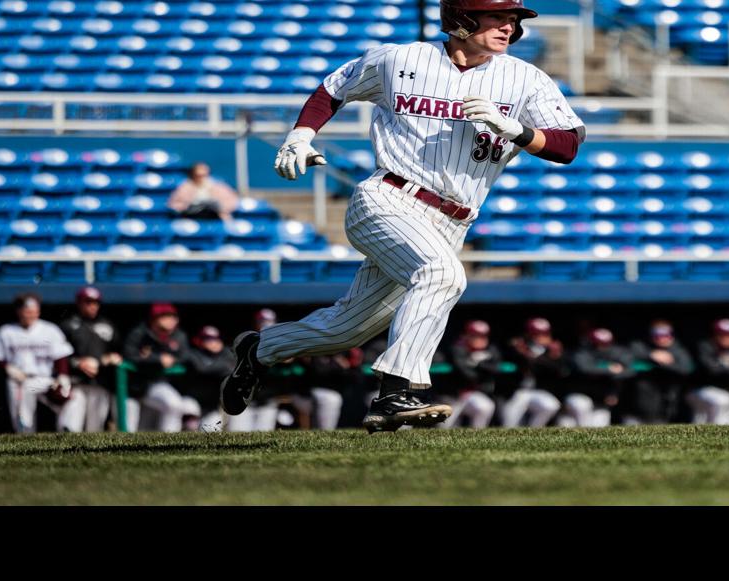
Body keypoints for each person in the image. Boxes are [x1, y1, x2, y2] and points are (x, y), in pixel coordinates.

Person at [220, 0, 585, 434]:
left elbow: (567, 146)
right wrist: (300, 136)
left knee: (345, 330)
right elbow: (332, 89)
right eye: (497, 17)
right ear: (462, 18)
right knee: (442, 275)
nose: (509, 27)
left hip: (453, 221)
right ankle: (396, 393)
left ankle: (259, 349)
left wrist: (520, 132)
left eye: (514, 20)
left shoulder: (525, 78)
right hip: (388, 198)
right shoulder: (401, 58)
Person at [0, 293, 74, 434]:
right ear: (19, 311)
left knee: (69, 397)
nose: (31, 314)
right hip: (19, 379)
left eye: (34, 311)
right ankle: (25, 435)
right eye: (28, 311)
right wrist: (7, 367)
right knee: (20, 414)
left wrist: (63, 376)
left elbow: (61, 355)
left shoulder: (50, 330)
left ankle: (67, 430)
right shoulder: (6, 331)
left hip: (45, 378)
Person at [122, 302, 199, 432]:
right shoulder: (140, 333)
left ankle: (170, 443)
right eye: (166, 316)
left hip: (165, 385)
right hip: (136, 387)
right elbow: (129, 355)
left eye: (173, 316)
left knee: (181, 406)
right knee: (133, 430)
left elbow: (186, 357)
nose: (171, 320)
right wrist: (157, 359)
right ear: (154, 318)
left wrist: (170, 359)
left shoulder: (179, 335)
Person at [58, 285, 123, 433]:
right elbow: (58, 356)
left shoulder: (108, 325)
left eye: (95, 302)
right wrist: (77, 362)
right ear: (79, 303)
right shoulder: (68, 325)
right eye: (88, 302)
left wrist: (109, 359)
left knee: (95, 428)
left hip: (101, 382)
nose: (92, 306)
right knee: (71, 424)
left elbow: (118, 352)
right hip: (75, 383)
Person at [500, 317, 566, 427]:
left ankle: (533, 431)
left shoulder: (552, 351)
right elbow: (508, 365)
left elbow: (558, 370)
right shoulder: (517, 346)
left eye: (544, 333)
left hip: (538, 391)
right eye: (536, 333)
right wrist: (520, 353)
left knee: (551, 405)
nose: (540, 337)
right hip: (517, 391)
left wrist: (550, 356)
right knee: (509, 422)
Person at [561, 328, 634, 427]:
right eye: (598, 343)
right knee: (582, 406)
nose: (602, 346)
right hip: (578, 396)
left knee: (598, 429)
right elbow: (585, 369)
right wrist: (609, 370)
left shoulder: (616, 353)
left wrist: (613, 393)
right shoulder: (582, 352)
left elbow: (629, 371)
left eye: (605, 343)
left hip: (600, 401)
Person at [625, 320, 694, 425]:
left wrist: (665, 363)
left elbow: (687, 369)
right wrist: (650, 355)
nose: (662, 338)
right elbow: (626, 360)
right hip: (637, 405)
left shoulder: (678, 350)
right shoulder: (640, 346)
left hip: (665, 403)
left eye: (666, 335)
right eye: (658, 335)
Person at [229, 309, 283, 432]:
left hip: (268, 399)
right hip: (243, 398)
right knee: (237, 434)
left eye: (269, 322)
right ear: (256, 323)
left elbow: (289, 360)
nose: (265, 325)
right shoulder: (246, 340)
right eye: (262, 321)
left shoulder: (281, 342)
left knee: (262, 436)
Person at [689, 318, 729, 425]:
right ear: (716, 335)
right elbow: (711, 371)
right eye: (724, 334)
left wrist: (724, 369)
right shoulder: (705, 346)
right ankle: (716, 431)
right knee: (722, 399)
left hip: (728, 390)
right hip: (702, 388)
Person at [441, 320, 500, 428]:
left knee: (486, 406)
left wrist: (478, 364)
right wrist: (481, 368)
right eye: (475, 336)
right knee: (445, 427)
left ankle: (477, 435)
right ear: (466, 335)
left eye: (483, 336)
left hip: (470, 393)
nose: (480, 339)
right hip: (451, 395)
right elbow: (467, 375)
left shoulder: (490, 350)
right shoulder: (457, 348)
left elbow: (495, 369)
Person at [180, 325, 235, 431]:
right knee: (189, 416)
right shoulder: (192, 354)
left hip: (211, 406)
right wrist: (223, 366)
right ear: (199, 341)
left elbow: (233, 369)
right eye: (208, 339)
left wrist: (220, 366)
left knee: (211, 432)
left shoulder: (226, 353)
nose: (213, 342)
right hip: (191, 401)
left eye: (216, 339)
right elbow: (202, 368)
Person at [166, 162, 241, 221]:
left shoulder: (219, 186)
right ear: (193, 175)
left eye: (204, 175)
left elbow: (233, 202)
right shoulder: (184, 187)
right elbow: (173, 204)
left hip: (216, 216)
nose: (202, 178)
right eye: (198, 175)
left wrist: (220, 207)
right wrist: (187, 206)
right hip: (191, 217)